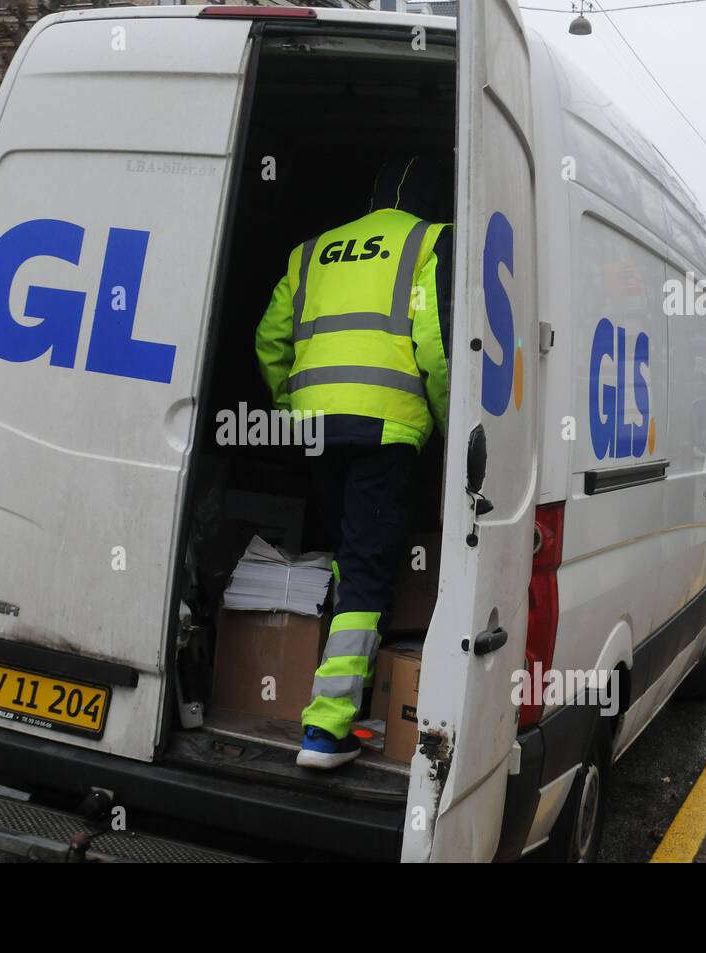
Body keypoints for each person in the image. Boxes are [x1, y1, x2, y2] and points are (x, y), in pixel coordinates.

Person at [255, 156, 453, 769]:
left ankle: (330, 690)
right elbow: (436, 343)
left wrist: (294, 406)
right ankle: (327, 728)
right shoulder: (428, 241)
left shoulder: (311, 250)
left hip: (316, 427)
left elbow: (269, 340)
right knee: (369, 565)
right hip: (384, 428)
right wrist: (450, 425)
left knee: (347, 553)